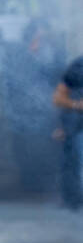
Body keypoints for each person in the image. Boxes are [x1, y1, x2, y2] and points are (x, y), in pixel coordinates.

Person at [52, 53, 83, 209]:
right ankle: (73, 200)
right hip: (78, 129)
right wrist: (77, 105)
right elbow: (58, 98)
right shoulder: (79, 66)